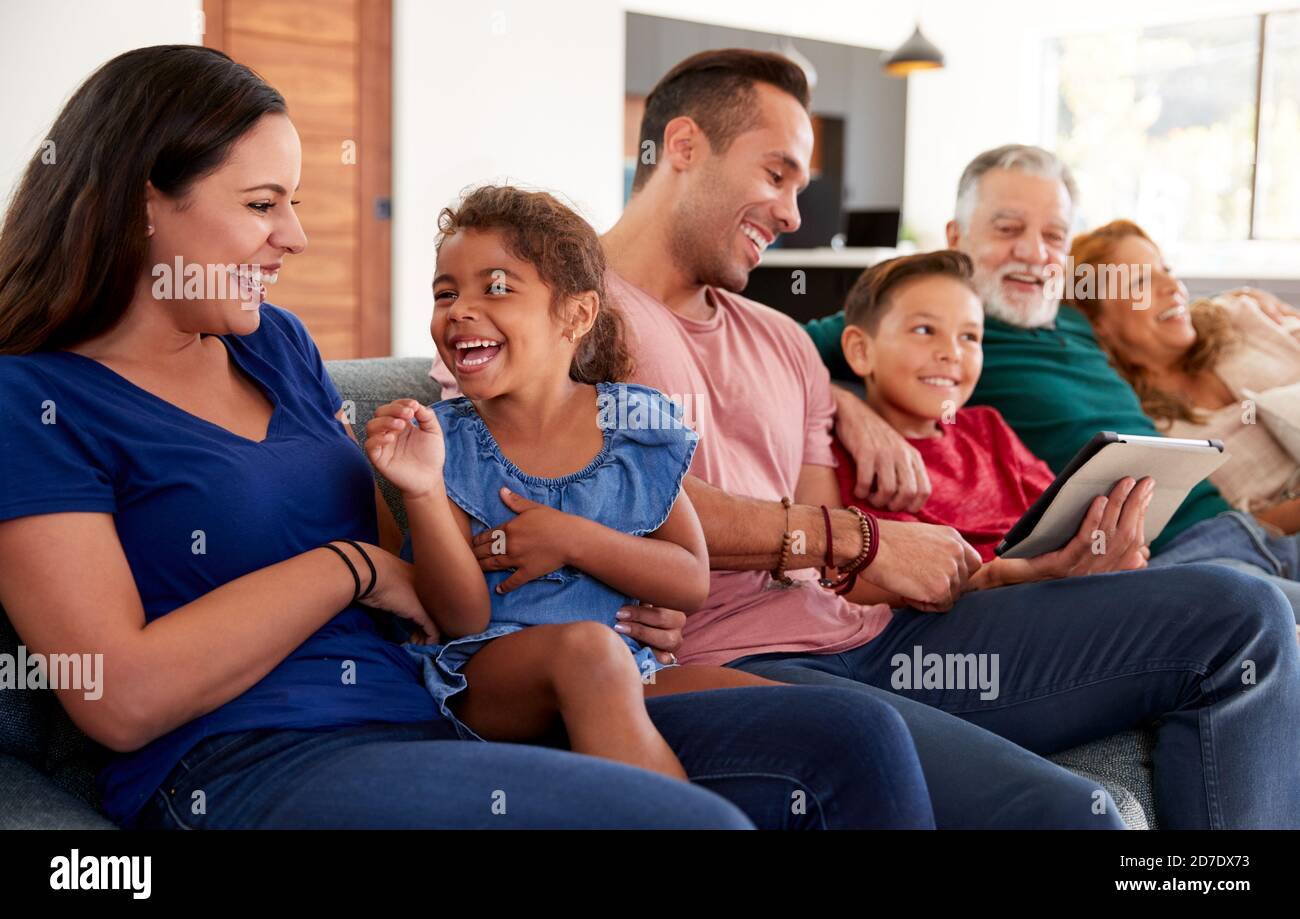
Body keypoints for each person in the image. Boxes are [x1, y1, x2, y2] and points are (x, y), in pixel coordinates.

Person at [0, 44, 936, 831]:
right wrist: (351, 567)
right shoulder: (34, 401)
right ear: (140, 204)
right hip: (252, 758)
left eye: (293, 201)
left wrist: (600, 579)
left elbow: (431, 551)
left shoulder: (275, 348)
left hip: (438, 704)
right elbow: (116, 697)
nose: (295, 236)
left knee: (854, 735)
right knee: (685, 822)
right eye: (261, 203)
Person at [433, 50, 1300, 828]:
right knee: (1077, 818)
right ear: (686, 146)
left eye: (801, 184)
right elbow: (570, 484)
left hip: (875, 638)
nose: (793, 211)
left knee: (1244, 613)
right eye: (776, 174)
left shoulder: (779, 339)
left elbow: (824, 550)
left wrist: (1008, 572)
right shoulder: (556, 316)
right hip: (730, 661)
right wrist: (850, 533)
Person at [365, 186, 934, 823]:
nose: (461, 310)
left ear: (576, 315)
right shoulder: (444, 446)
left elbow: (688, 580)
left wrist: (573, 539)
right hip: (487, 677)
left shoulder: (633, 428)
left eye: (495, 287)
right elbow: (462, 618)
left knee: (850, 725)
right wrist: (418, 489)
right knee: (588, 653)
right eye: (446, 293)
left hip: (631, 668)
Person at [805, 144, 1300, 618]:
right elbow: (771, 350)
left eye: (1054, 236)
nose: (1032, 251)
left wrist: (1239, 304)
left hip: (1240, 528)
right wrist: (846, 407)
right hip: (1169, 556)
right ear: (955, 237)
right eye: (1007, 228)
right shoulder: (936, 330)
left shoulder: (1076, 320)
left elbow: (1153, 313)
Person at [830, 248, 1152, 593]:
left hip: (1052, 592)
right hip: (961, 616)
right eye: (924, 330)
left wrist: (1105, 541)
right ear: (861, 351)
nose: (951, 353)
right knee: (1209, 589)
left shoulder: (988, 428)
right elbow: (855, 584)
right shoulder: (840, 451)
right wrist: (1001, 576)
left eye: (969, 337)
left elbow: (1062, 517)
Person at [1068, 219, 1300, 535]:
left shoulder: (1242, 316)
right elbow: (1222, 536)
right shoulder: (1143, 427)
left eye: (1168, 270)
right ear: (1097, 322)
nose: (1173, 286)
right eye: (1141, 282)